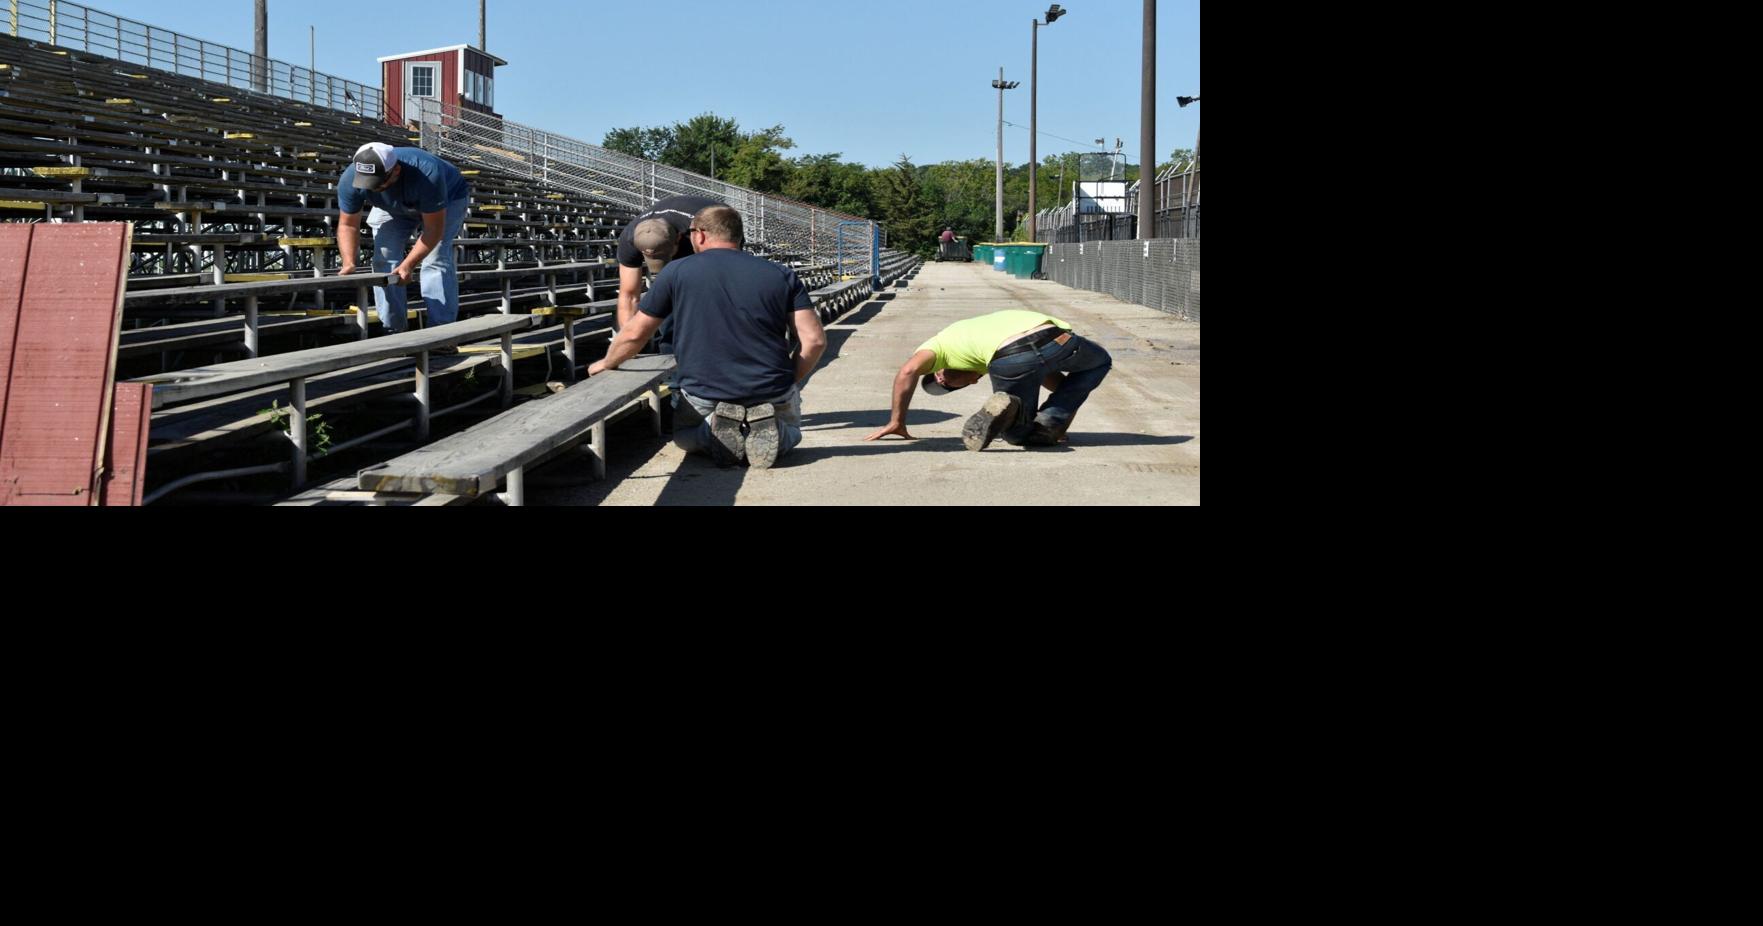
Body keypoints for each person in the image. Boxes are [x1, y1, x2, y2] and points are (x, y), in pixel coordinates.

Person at [589, 205, 826, 469]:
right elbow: (814, 340)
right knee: (793, 434)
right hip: (771, 389)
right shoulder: (781, 274)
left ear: (700, 235)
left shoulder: (675, 272)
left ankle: (712, 434)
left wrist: (607, 362)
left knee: (684, 438)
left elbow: (635, 333)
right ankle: (777, 435)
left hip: (705, 392)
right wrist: (788, 381)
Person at [863, 309, 1112, 450]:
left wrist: (896, 421)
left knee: (1017, 436)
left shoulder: (937, 349)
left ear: (939, 373)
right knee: (1098, 362)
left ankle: (1014, 413)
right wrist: (1058, 423)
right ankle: (1037, 421)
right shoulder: (973, 345)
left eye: (948, 386)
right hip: (1053, 340)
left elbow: (907, 372)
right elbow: (1063, 388)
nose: (958, 385)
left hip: (1012, 355)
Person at [337, 143, 470, 332]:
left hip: (448, 198)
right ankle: (392, 330)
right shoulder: (350, 178)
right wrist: (349, 262)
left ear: (396, 170)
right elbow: (348, 224)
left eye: (379, 182)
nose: (374, 188)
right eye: (368, 183)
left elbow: (433, 230)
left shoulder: (427, 174)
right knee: (384, 259)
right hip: (394, 206)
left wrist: (408, 264)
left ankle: (442, 333)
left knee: (435, 259)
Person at [614, 194, 725, 351]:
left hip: (718, 232)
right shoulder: (629, 239)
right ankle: (670, 357)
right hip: (684, 239)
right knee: (669, 314)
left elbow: (724, 275)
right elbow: (629, 295)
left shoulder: (705, 231)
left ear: (678, 239)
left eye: (664, 257)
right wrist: (629, 346)